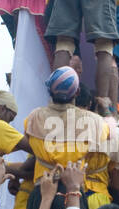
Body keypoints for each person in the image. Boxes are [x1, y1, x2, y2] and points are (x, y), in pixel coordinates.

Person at [22, 68, 111, 197]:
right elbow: (109, 137)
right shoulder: (95, 122)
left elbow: (30, 145)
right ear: (77, 92)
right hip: (73, 192)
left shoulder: (34, 117)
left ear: (50, 91)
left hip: (40, 192)